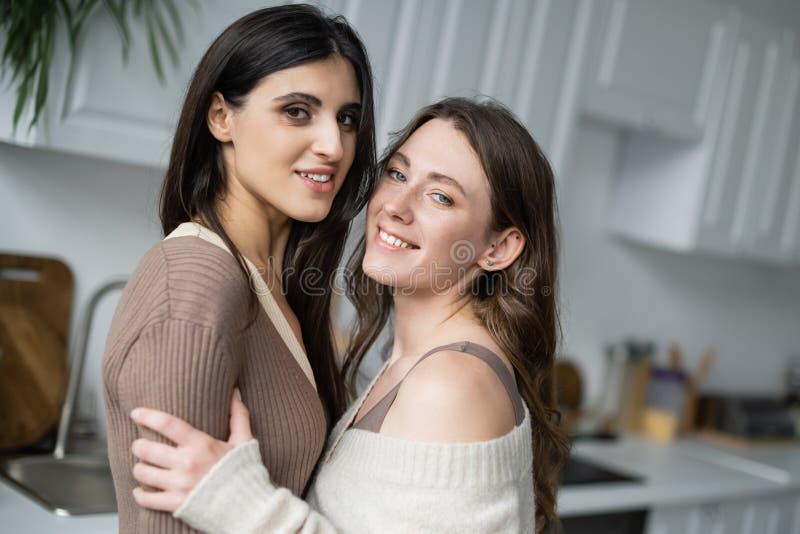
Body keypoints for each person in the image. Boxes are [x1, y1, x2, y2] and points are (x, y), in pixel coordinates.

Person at [127, 97, 568, 533]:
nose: (396, 205)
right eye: (397, 174)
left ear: (499, 248)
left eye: (440, 196)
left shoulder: (450, 384)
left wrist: (239, 503)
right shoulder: (419, 364)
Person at [101, 4, 376, 533]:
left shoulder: (272, 282)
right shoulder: (194, 284)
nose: (334, 145)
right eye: (297, 111)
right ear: (221, 117)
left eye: (347, 118)